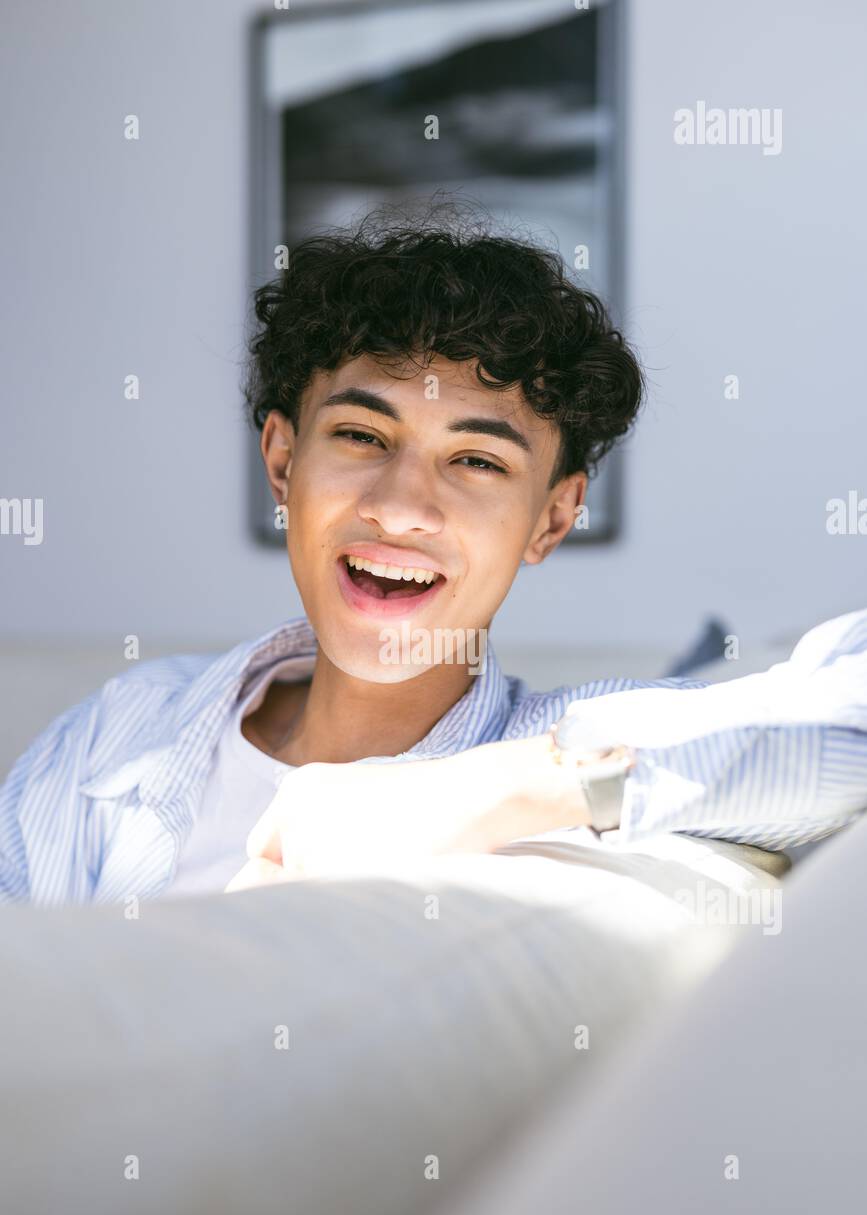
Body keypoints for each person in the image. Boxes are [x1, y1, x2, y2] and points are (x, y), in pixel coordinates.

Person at [1, 205, 866, 905]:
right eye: (361, 435)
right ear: (281, 462)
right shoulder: (121, 728)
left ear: (551, 521)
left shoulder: (573, 744)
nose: (401, 508)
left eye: (477, 461)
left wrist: (497, 791)